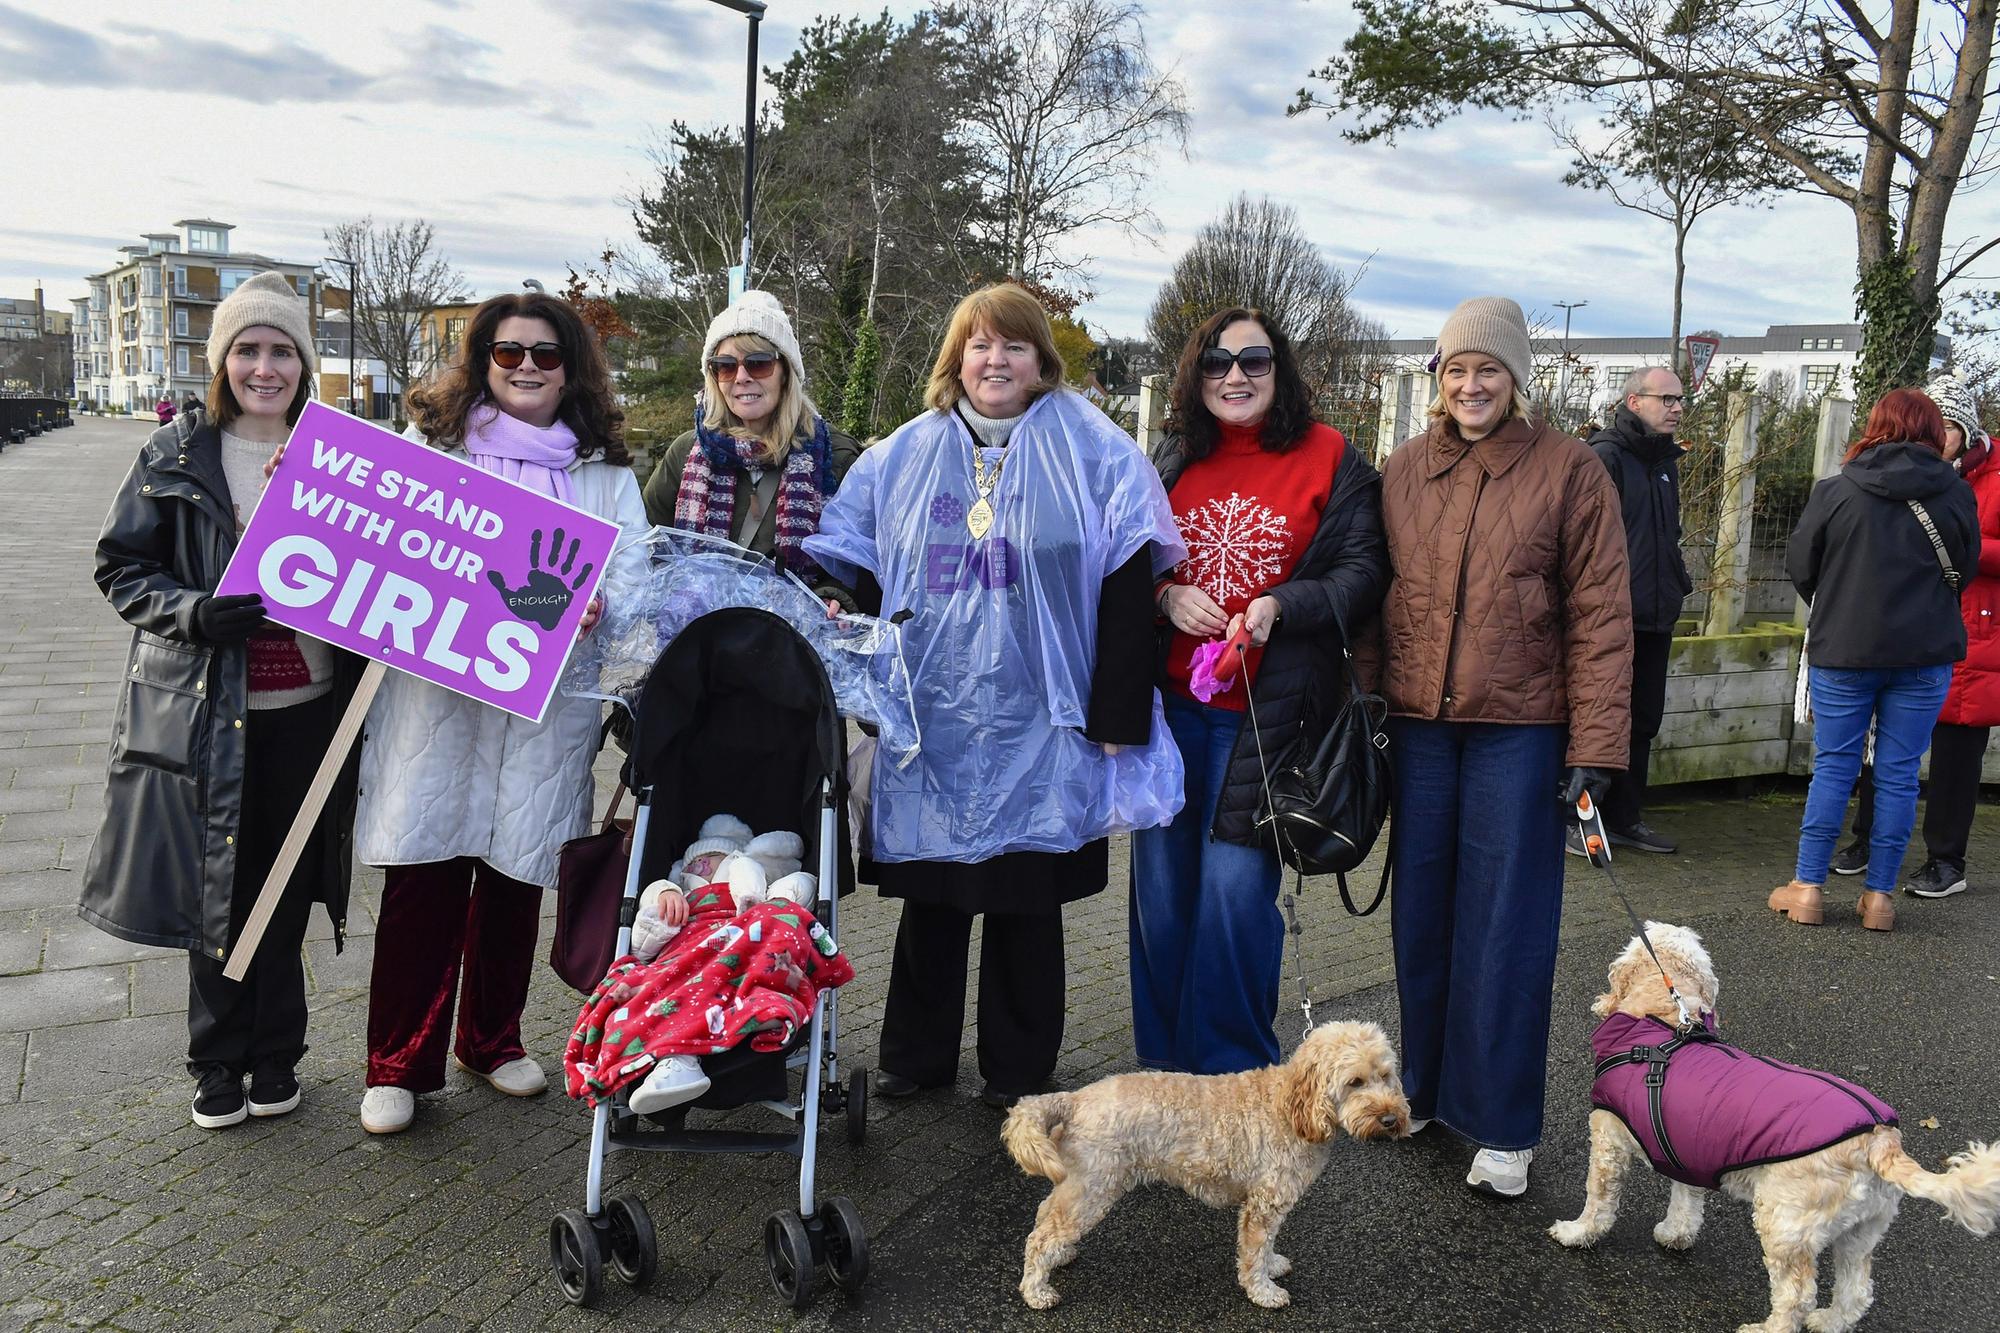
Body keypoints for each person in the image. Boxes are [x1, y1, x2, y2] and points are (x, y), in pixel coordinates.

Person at [804, 282, 1186, 1110]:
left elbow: (1126, 579)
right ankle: (915, 1052)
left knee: (1027, 896)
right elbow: (852, 551)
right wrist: (836, 597)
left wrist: (1116, 711)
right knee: (935, 896)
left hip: (1042, 717)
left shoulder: (1094, 449)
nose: (995, 360)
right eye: (979, 345)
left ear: (1040, 359)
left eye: (1013, 345)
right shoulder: (904, 453)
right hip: (934, 712)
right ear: (956, 358)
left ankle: (1018, 1067)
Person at [352, 292, 649, 1134]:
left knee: (519, 872)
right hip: (437, 706)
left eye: (546, 354)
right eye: (509, 351)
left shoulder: (603, 470)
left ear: (571, 368)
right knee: (425, 874)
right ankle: (397, 1061)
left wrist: (600, 602)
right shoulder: (431, 449)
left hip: (544, 711)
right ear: (483, 358)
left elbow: (633, 576)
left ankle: (490, 1037)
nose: (526, 366)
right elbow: (372, 536)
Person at [82, 271, 361, 1130]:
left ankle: (277, 1052)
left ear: (304, 363)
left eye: (282, 350)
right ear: (222, 361)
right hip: (209, 711)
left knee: (284, 887)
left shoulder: (341, 452)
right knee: (220, 889)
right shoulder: (174, 454)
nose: (265, 367)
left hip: (311, 709)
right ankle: (216, 1059)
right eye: (248, 349)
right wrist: (194, 613)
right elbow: (122, 568)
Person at [1372, 295, 1632, 1198]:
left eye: (1488, 368)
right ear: (1438, 379)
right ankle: (1427, 1090)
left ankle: (1505, 1123)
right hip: (1420, 728)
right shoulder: (1405, 468)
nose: (1471, 383)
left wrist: (1594, 744)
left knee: (1508, 929)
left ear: (1517, 378)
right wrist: (1367, 707)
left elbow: (1602, 615)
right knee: (1423, 920)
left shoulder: (1569, 470)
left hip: (1521, 730)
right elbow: (1380, 598)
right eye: (1456, 368)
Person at [1131, 306, 1388, 1074]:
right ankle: (1165, 1078)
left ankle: (1234, 1077)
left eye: (1254, 360)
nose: (1235, 375)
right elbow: (1124, 556)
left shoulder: (1332, 457)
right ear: (1193, 373)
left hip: (1267, 720)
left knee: (1235, 901)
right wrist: (1165, 594)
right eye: (1216, 361)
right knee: (1163, 904)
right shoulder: (1172, 456)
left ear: (1282, 371)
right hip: (1172, 717)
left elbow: (1363, 572)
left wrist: (1283, 604)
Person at [1775, 387, 1981, 931]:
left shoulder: (1836, 491)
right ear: (1937, 433)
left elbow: (1802, 566)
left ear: (1875, 426)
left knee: (1834, 769)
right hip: (1925, 654)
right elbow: (1966, 564)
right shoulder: (1958, 494)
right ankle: (1880, 898)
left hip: (1845, 649)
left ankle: (1809, 888)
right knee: (1898, 775)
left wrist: (1842, 603)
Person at [641, 290, 860, 604]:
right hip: (701, 640)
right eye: (726, 366)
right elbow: (644, 545)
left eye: (758, 364)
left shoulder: (835, 457)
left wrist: (833, 596)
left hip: (792, 642)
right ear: (713, 377)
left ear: (786, 373)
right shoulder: (686, 452)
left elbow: (854, 560)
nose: (741, 377)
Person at [1568, 366, 1694, 857]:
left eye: (1680, 399)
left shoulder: (1666, 462)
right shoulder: (1605, 457)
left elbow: (1668, 535)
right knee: (1599, 718)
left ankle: (1625, 818)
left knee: (1644, 718)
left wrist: (1677, 581)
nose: (1677, 408)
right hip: (1610, 617)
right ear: (1634, 401)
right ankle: (1580, 823)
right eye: (1666, 398)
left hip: (1656, 612)